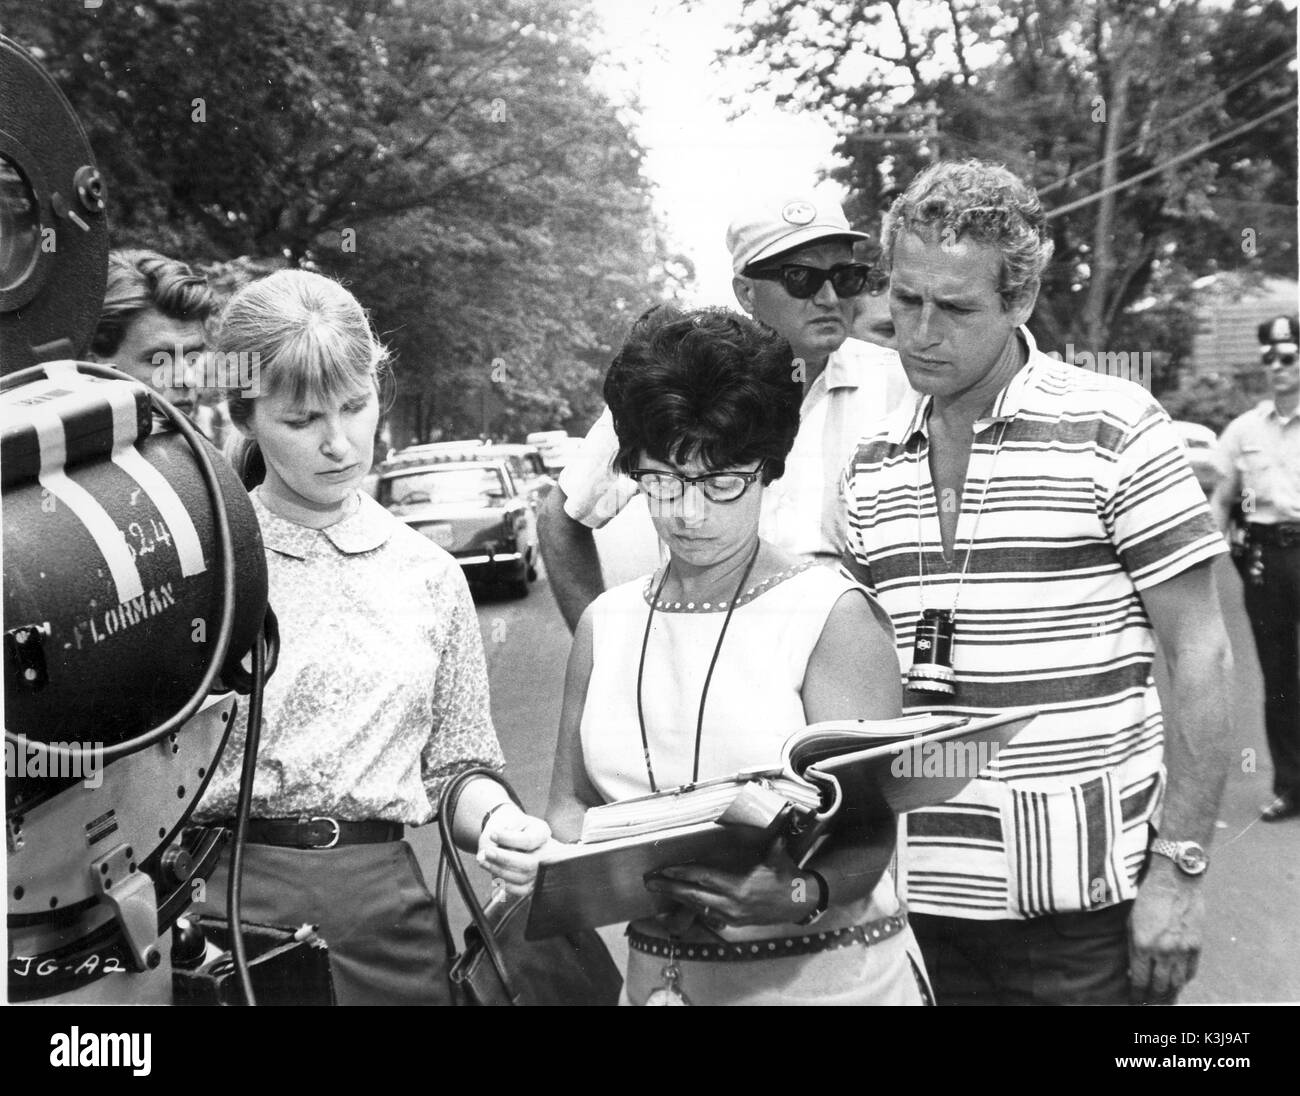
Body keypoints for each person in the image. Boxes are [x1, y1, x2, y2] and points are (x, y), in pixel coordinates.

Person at [841, 160, 1233, 1006]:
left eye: (954, 308)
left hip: (1079, 915)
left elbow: (1201, 654)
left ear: (1019, 302)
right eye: (906, 300)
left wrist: (1181, 869)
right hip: (914, 914)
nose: (920, 331)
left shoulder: (1115, 428)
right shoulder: (871, 464)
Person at [537, 305, 930, 1005]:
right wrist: (549, 856)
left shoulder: (831, 616)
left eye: (722, 485)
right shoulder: (607, 623)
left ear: (769, 470)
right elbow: (569, 803)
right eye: (662, 480)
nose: (689, 513)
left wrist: (797, 891)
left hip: (827, 983)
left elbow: (870, 832)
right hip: (661, 981)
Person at [192, 269, 550, 1005]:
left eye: (356, 407)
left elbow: (455, 768)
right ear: (245, 416)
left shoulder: (429, 574)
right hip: (224, 918)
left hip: (390, 924)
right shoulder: (204, 566)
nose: (338, 443)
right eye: (301, 421)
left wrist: (503, 823)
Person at [539, 192, 912, 632]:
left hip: (845, 667)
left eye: (846, 277)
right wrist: (601, 653)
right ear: (746, 292)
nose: (829, 297)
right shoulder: (678, 380)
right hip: (707, 668)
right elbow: (562, 517)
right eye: (801, 278)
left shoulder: (900, 385)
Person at [1210, 315, 1300, 823]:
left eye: (1288, 357)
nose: (1278, 367)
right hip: (1264, 559)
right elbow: (1222, 499)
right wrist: (1205, 553)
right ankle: (1291, 785)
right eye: (1270, 358)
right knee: (1280, 676)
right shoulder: (1245, 429)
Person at [89, 249, 225, 439]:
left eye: (194, 356)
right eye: (159, 360)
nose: (187, 380)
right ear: (94, 365)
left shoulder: (223, 438)